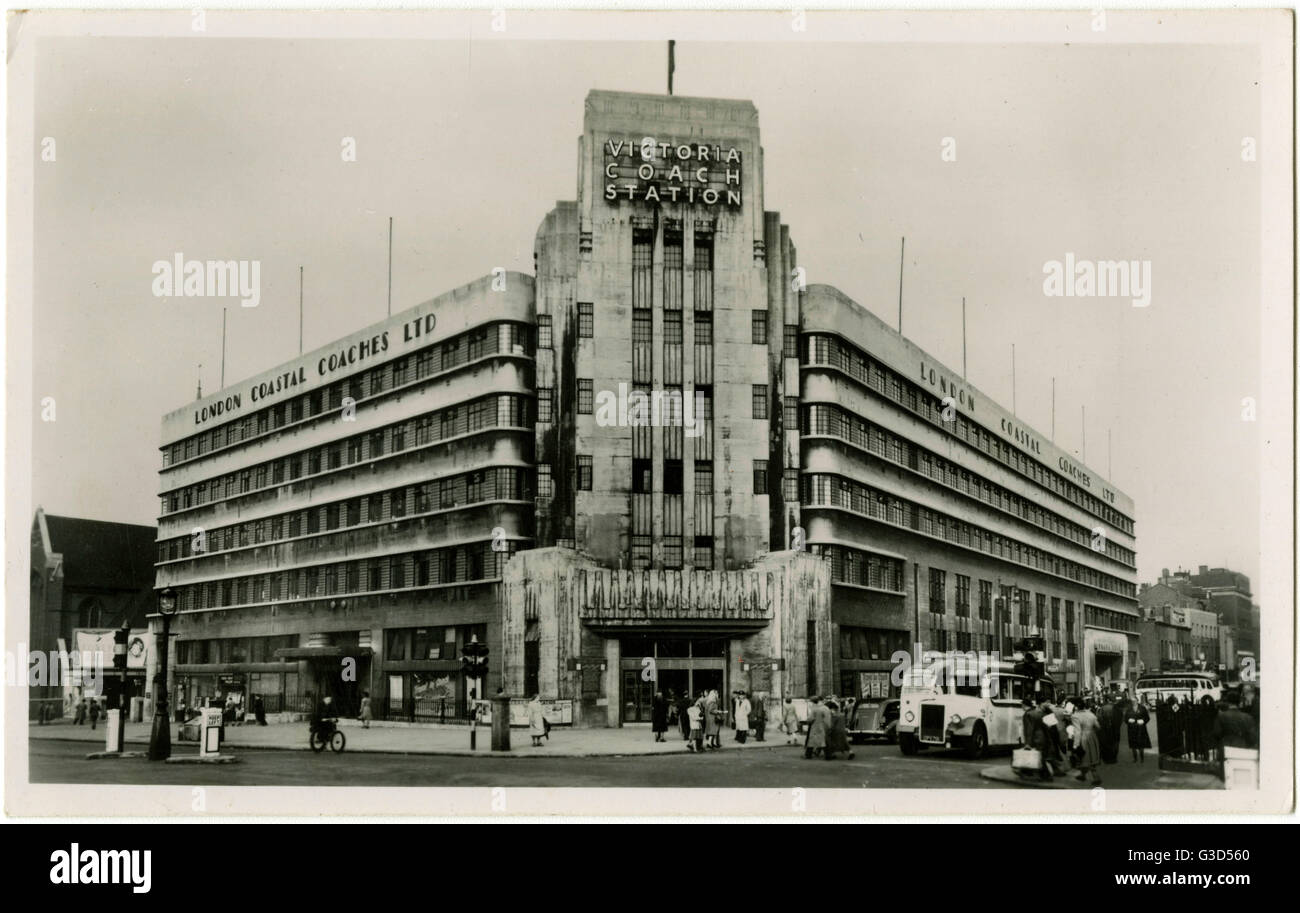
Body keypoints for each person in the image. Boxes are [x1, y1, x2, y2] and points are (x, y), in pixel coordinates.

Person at [1020, 699, 1063, 780]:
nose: (1021, 707)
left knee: (1039, 757)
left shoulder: (1028, 714)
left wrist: (1028, 743)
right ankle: (1038, 773)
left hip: (1036, 738)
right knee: (1042, 756)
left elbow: (1029, 729)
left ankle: (1045, 775)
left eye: (1022, 705)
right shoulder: (1039, 712)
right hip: (1044, 737)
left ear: (1024, 705)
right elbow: (1048, 726)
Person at [1065, 698, 1103, 785]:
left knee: (1084, 757)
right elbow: (1098, 726)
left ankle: (1096, 778)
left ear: (1076, 707)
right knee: (1091, 757)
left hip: (1083, 738)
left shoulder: (1075, 716)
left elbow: (1077, 731)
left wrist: (1076, 744)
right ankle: (1083, 775)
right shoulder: (1091, 714)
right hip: (1092, 737)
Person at [1095, 695, 1121, 764]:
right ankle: (1114, 758)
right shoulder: (1116, 709)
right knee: (1115, 743)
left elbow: (1099, 719)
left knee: (1106, 743)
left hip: (1105, 729)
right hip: (1115, 729)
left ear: (1107, 700)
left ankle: (1107, 759)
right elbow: (1120, 719)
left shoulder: (1101, 709)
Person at [1124, 697, 1151, 763]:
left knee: (1141, 744)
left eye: (1135, 701)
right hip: (1132, 729)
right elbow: (1125, 719)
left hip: (1140, 729)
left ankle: (1142, 758)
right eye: (1132, 701)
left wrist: (1143, 721)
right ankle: (1135, 758)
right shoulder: (1128, 709)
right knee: (1133, 745)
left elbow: (1147, 718)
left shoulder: (1142, 708)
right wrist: (1128, 720)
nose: (1133, 702)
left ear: (1137, 700)